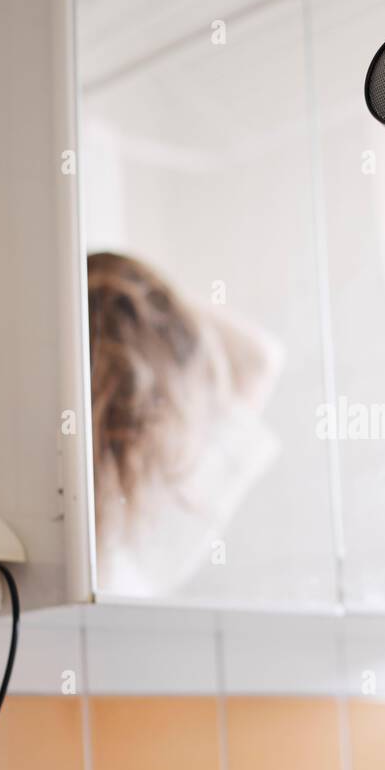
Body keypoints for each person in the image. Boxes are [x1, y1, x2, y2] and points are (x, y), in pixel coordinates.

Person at [87, 252, 280, 598]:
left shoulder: (169, 509)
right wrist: (134, 298)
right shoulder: (164, 526)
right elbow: (259, 360)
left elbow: (260, 360)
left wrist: (127, 298)